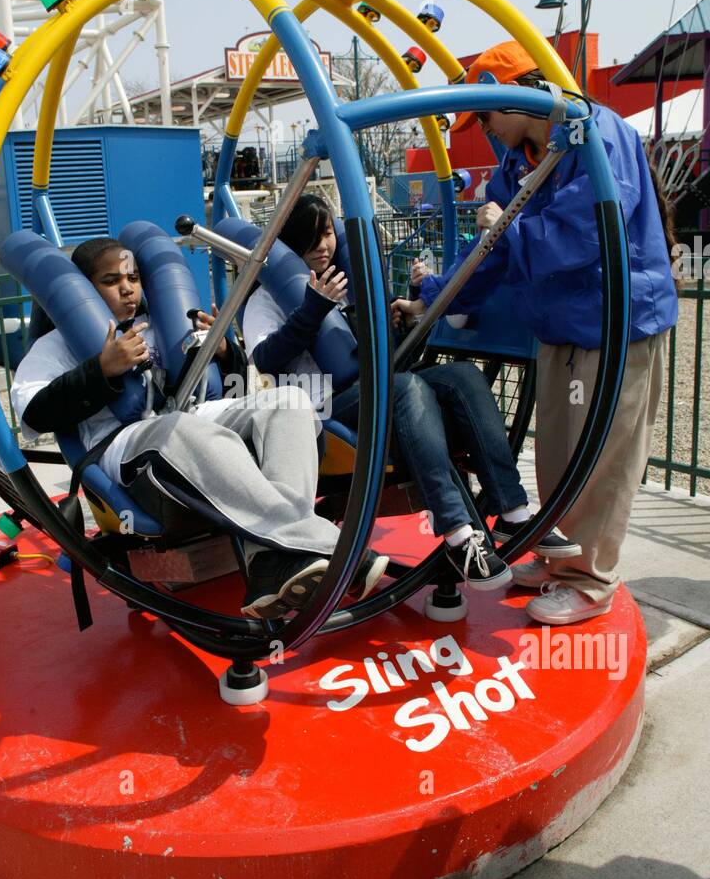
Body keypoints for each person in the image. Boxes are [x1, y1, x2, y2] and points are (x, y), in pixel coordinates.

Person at [394, 39, 678, 625]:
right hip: (562, 332)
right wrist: (432, 297)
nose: (488, 128)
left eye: (490, 114)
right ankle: (558, 557)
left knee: (604, 457)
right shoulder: (518, 164)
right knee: (558, 452)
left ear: (522, 93)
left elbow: (590, 232)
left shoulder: (597, 134)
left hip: (615, 326)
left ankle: (590, 579)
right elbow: (490, 252)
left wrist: (508, 230)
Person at [11, 237, 388, 621]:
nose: (127, 288)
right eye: (111, 281)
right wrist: (100, 370)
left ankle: (270, 562)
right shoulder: (56, 346)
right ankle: (336, 548)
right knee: (179, 428)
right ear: (83, 291)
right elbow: (34, 414)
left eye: (134, 278)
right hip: (125, 444)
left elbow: (227, 387)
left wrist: (226, 353)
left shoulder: (162, 324)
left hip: (195, 417)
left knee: (287, 402)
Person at [242, 195, 577, 592]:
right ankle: (455, 530)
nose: (322, 246)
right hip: (323, 405)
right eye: (310, 238)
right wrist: (311, 309)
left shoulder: (347, 283)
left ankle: (513, 509)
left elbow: (384, 356)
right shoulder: (267, 300)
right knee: (408, 388)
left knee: (463, 377)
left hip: (376, 389)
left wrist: (395, 325)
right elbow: (264, 362)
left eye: (328, 233)